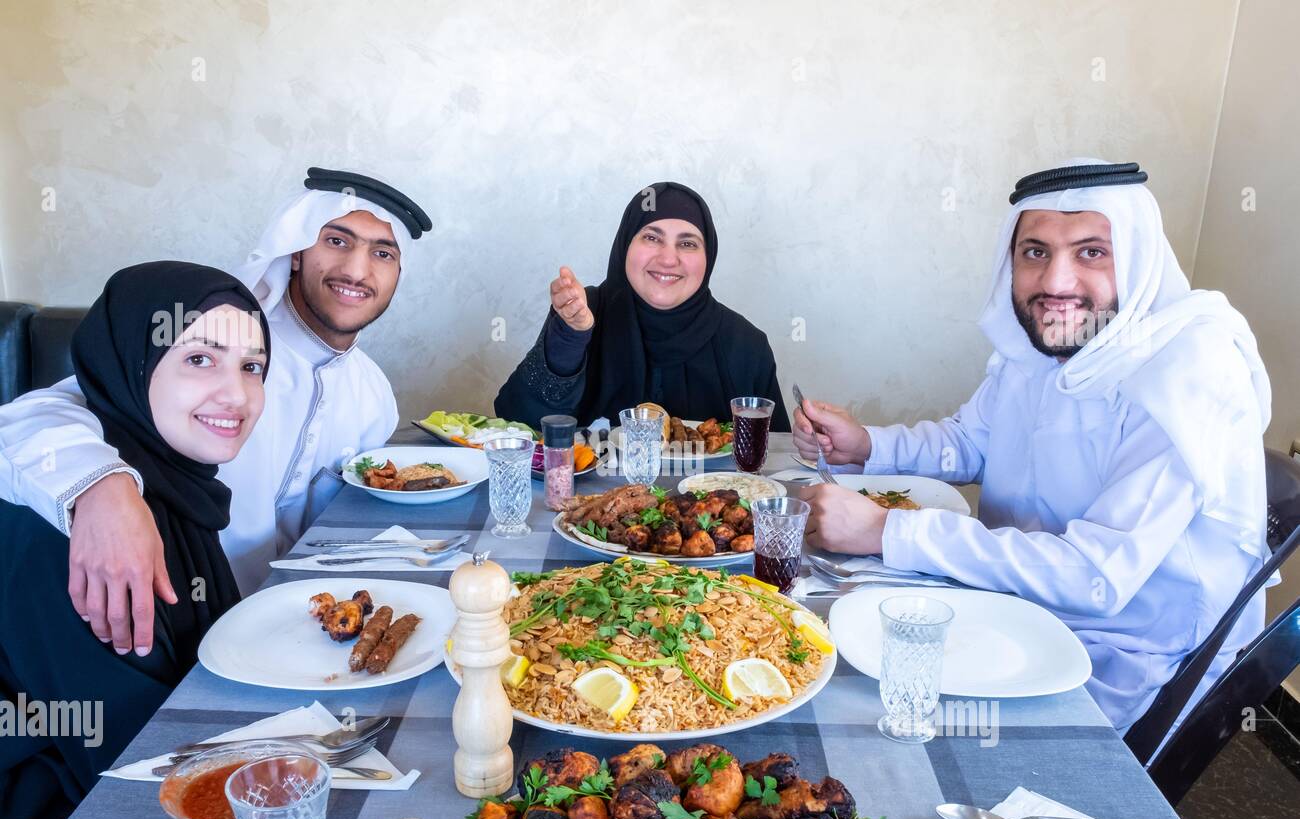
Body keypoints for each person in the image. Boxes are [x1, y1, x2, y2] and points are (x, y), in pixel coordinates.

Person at [795, 159, 1272, 732]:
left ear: (1139, 256)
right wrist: (868, 444)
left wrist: (884, 531)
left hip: (1130, 660)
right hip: (1014, 610)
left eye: (1091, 251)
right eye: (1036, 252)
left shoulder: (1188, 369)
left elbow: (1094, 577)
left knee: (869, 721)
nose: (1056, 283)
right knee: (824, 657)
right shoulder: (1048, 344)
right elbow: (972, 440)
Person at [0, 168, 431, 656]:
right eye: (335, 241)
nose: (356, 270)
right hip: (173, 628)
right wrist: (100, 490)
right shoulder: (220, 338)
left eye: (382, 253)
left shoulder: (373, 392)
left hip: (299, 632)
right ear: (293, 253)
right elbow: (41, 413)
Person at [0, 261, 270, 819]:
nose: (236, 394)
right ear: (131, 362)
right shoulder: (78, 532)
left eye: (251, 367)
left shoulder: (164, 481)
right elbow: (142, 759)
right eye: (200, 360)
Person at [494, 181, 789, 430]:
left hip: (710, 499)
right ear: (625, 245)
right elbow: (520, 424)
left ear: (708, 257)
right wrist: (570, 338)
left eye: (687, 244)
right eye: (651, 237)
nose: (668, 259)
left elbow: (774, 459)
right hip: (591, 499)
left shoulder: (746, 344)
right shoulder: (584, 312)